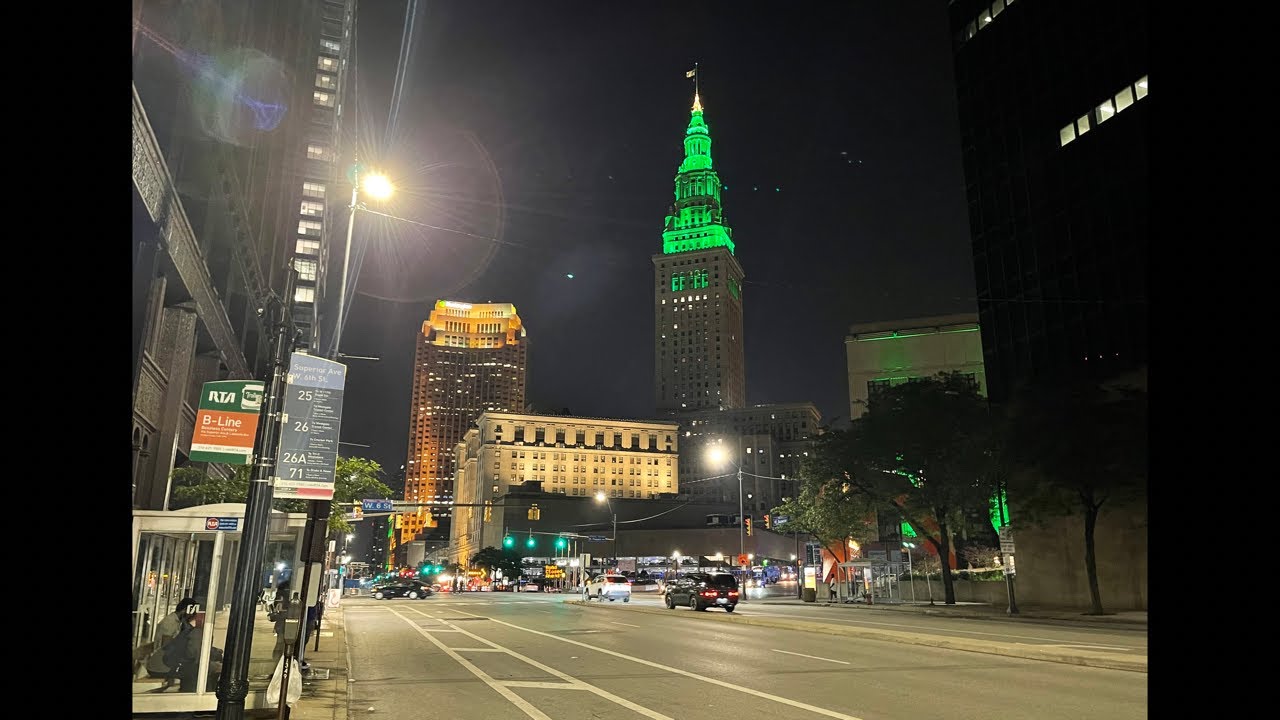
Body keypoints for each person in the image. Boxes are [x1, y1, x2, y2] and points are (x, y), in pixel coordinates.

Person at [145, 597, 196, 689]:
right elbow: (167, 646)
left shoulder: (177, 622)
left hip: (166, 661)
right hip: (162, 663)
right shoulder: (170, 622)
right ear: (185, 610)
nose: (191, 617)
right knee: (192, 671)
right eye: (191, 614)